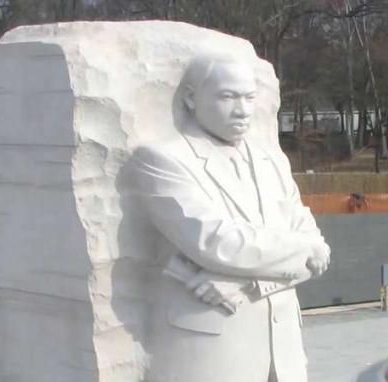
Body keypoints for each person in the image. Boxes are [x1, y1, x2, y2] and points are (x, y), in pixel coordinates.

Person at [133, 52, 330, 382]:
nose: (242, 110)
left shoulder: (272, 160)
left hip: (284, 354)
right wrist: (304, 252)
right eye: (227, 97)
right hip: (213, 353)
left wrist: (239, 282)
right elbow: (219, 243)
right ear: (192, 98)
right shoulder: (162, 160)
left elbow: (314, 242)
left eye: (249, 97)